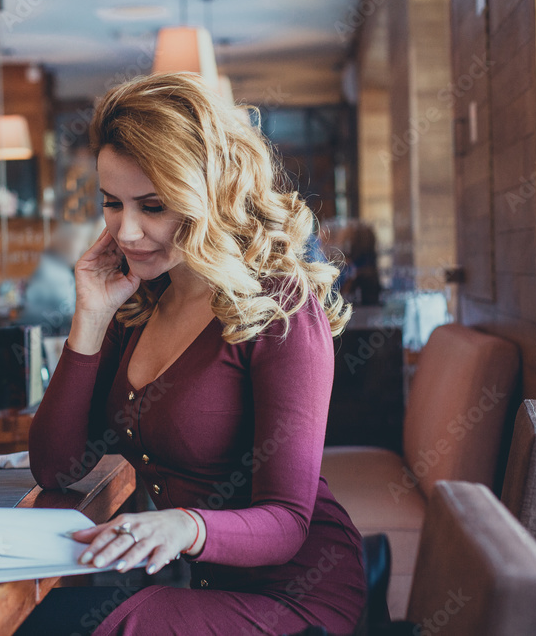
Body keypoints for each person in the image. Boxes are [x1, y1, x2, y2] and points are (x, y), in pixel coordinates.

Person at [22, 73, 366, 635]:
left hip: (296, 596)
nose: (127, 231)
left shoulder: (279, 306)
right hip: (198, 589)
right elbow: (57, 468)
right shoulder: (134, 302)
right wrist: (89, 318)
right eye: (112, 203)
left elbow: (288, 522)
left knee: (137, 623)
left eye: (153, 206)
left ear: (211, 195)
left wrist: (184, 527)